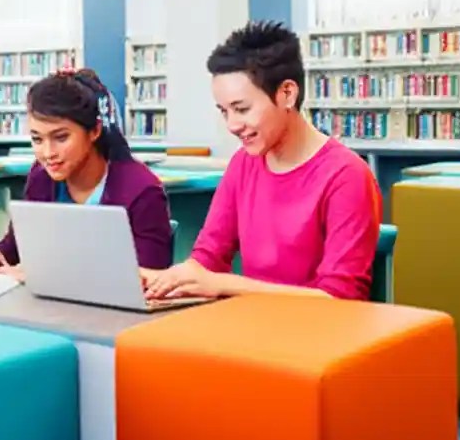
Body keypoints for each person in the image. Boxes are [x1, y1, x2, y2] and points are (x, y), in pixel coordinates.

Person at [142, 21, 380, 301]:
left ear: (287, 93)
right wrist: (160, 279)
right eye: (224, 111)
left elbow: (340, 298)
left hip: (317, 328)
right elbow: (207, 258)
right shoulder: (243, 164)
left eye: (242, 109)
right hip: (250, 323)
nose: (232, 125)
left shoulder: (347, 175)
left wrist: (223, 284)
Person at [0, 69, 173, 273]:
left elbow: (149, 280)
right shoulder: (41, 176)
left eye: (61, 137)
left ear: (95, 130)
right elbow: (16, 247)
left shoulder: (143, 191)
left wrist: (47, 275)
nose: (48, 153)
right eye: (37, 139)